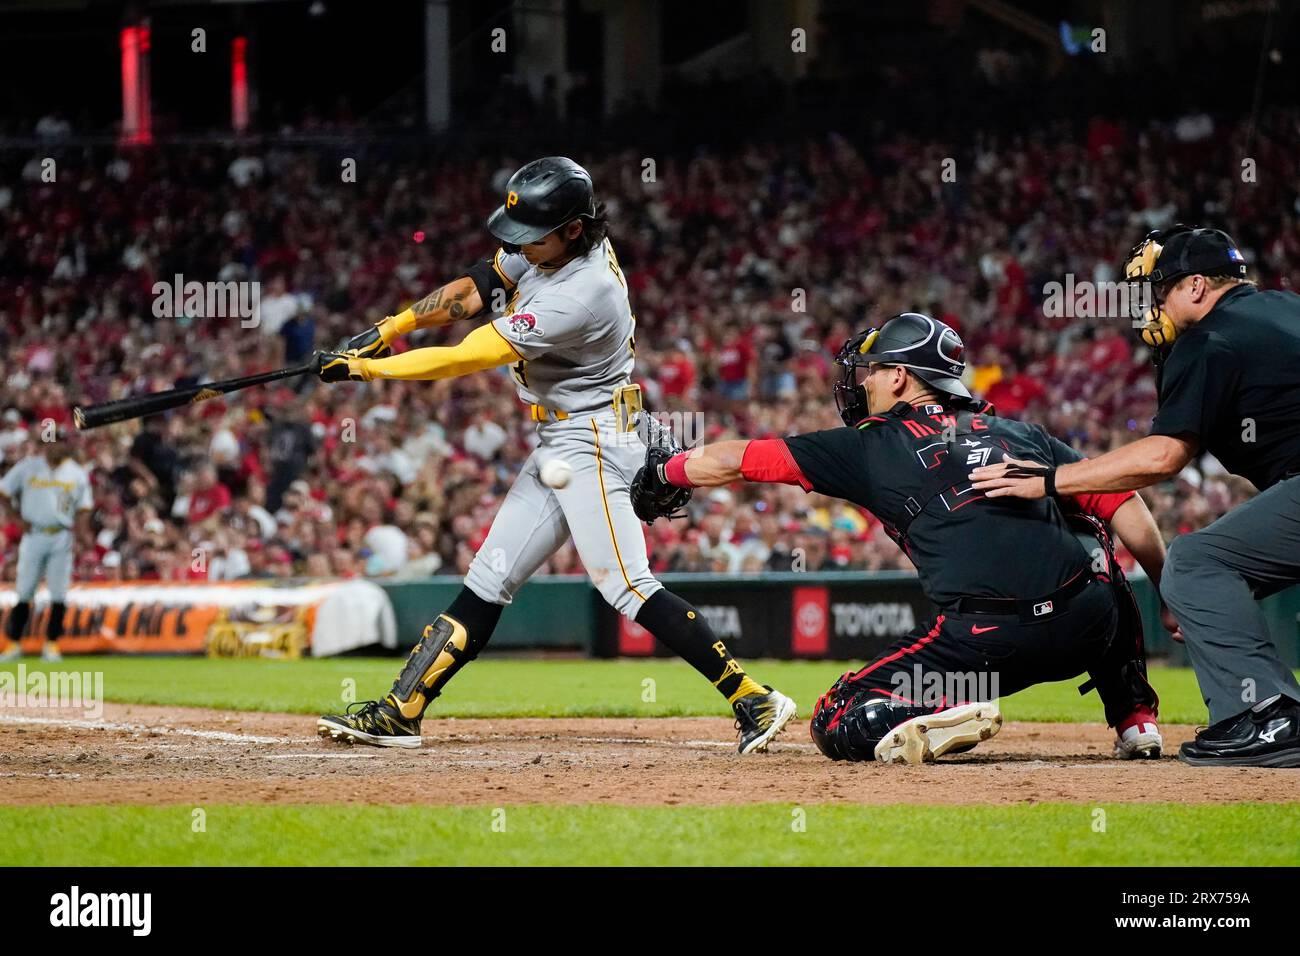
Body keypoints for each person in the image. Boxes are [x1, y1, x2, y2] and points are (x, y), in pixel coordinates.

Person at [314, 157, 795, 754]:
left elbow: (468, 354)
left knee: (625, 585)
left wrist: (366, 368)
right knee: (488, 580)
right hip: (562, 440)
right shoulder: (558, 244)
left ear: (572, 228)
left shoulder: (583, 292)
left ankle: (754, 696)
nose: (518, 247)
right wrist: (392, 326)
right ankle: (402, 711)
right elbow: (475, 287)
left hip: (593, 441)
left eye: (531, 237)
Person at [632, 313, 1168, 764]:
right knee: (1095, 541)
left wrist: (666, 472)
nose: (861, 382)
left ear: (899, 378)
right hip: (1086, 628)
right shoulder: (1022, 433)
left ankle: (928, 710)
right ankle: (1135, 719)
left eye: (871, 370)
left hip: (984, 649)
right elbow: (1127, 504)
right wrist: (1170, 591)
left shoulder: (869, 447)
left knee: (835, 716)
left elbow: (739, 459)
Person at [973, 226, 1300, 768]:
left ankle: (1268, 713)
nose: (1155, 308)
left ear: (1196, 286)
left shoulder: (1209, 337)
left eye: (1161, 290)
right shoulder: (1285, 307)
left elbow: (1162, 457)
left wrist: (1051, 480)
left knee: (1196, 564)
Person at [0, 427, 93, 662]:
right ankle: (13, 644)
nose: (56, 446)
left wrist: (81, 536)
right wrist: (15, 518)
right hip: (34, 533)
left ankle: (52, 644)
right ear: (45, 444)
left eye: (60, 442)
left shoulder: (76, 473)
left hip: (62, 535)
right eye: (52, 442)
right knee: (25, 589)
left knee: (59, 592)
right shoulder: (29, 466)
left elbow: (84, 508)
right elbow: (3, 491)